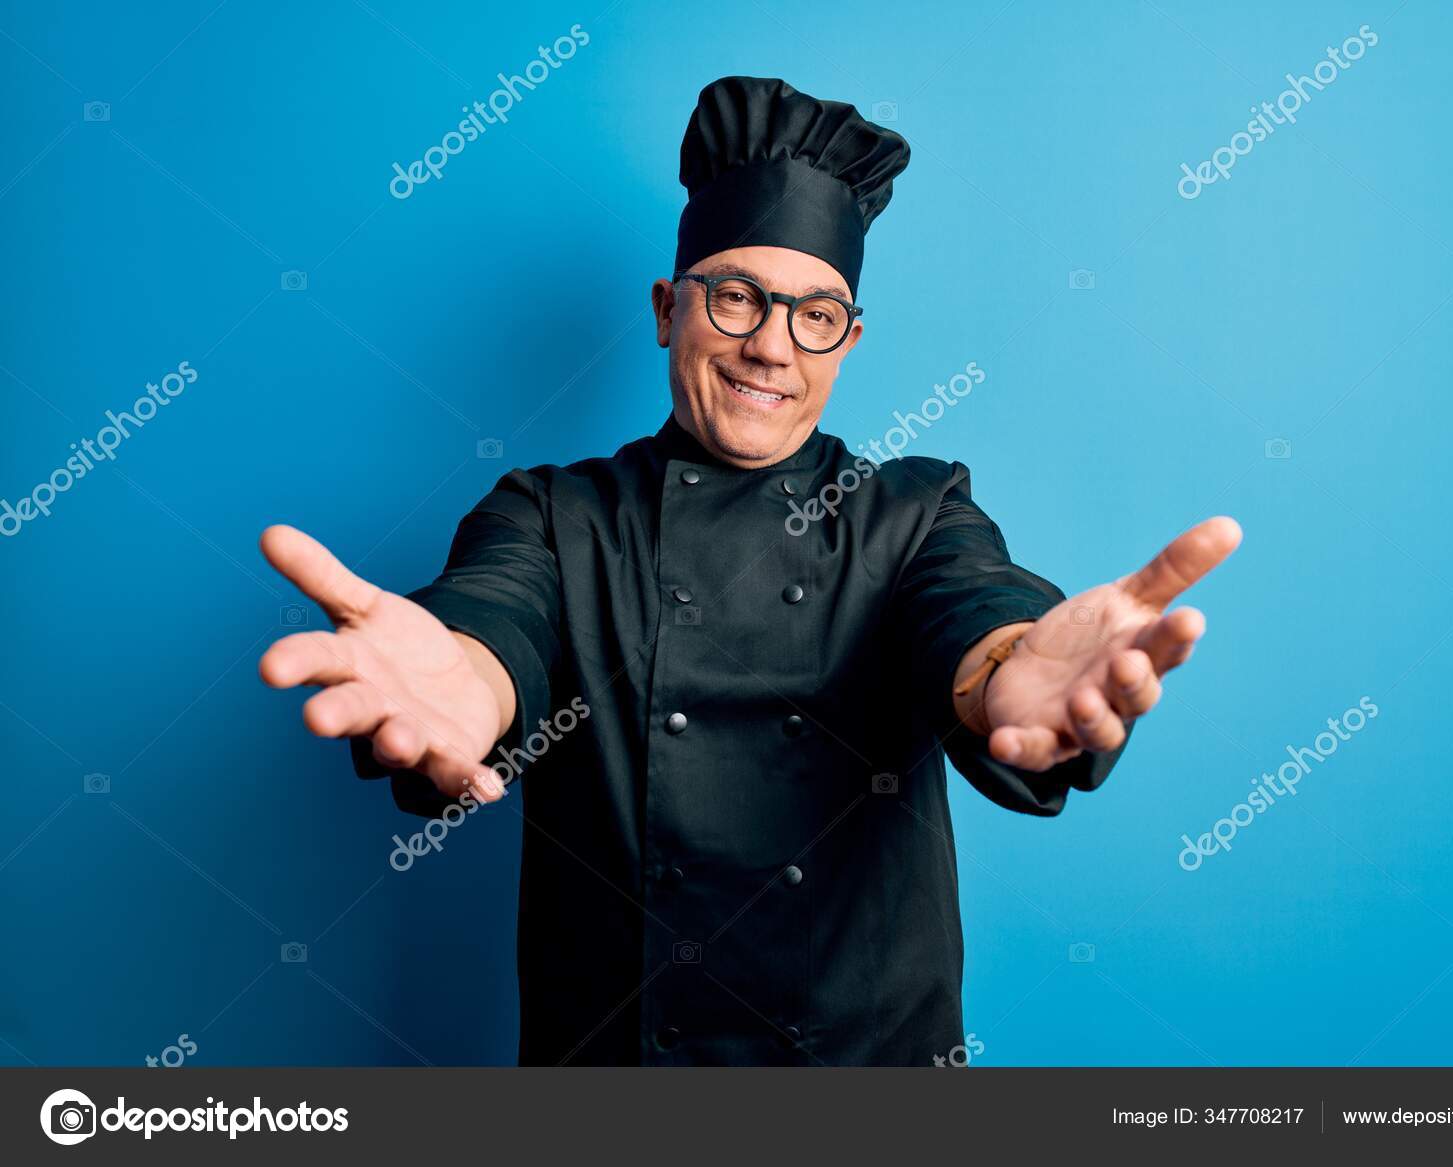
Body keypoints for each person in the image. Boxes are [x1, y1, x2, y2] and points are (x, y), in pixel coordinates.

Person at [257, 76, 1242, 1065]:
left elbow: (973, 609)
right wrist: (463, 682)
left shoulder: (915, 513)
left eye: (814, 315)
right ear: (666, 310)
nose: (770, 345)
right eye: (736, 298)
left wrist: (1010, 667)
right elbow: (490, 621)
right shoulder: (555, 516)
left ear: (846, 342)